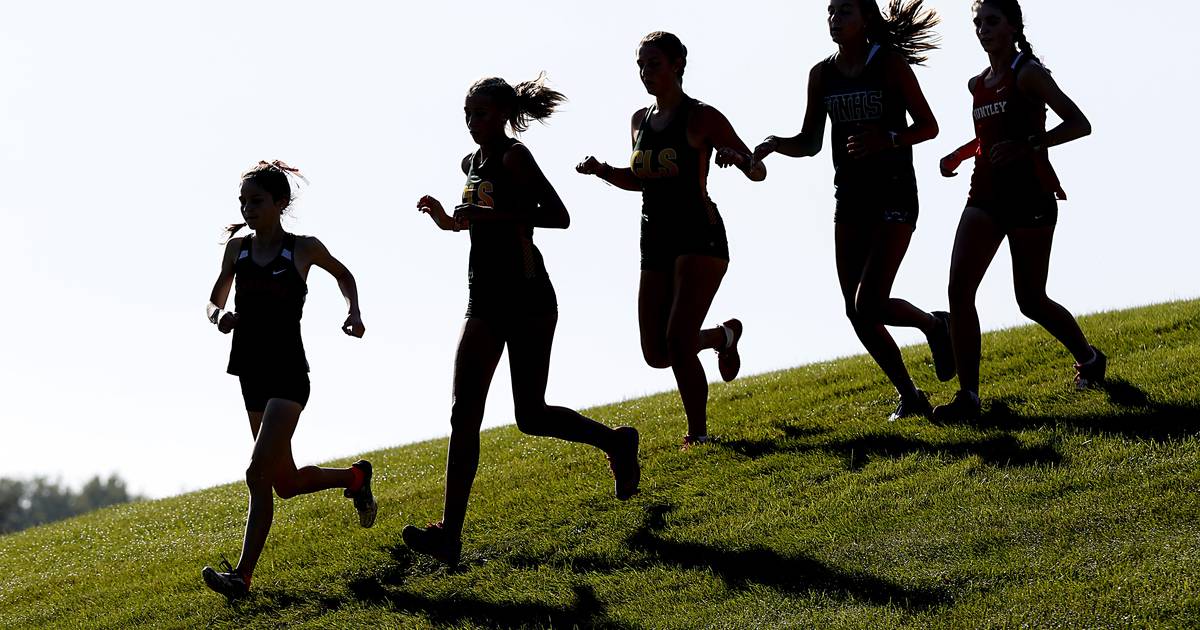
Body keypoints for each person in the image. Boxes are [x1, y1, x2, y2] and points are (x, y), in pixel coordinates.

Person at [403, 75, 641, 567]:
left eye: (482, 114)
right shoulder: (471, 164)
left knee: (530, 415)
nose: (473, 123)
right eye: (468, 114)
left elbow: (558, 215)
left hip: (528, 295)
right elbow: (476, 218)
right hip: (483, 299)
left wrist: (493, 217)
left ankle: (616, 442)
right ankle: (449, 535)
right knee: (462, 412)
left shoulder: (515, 157)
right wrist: (450, 221)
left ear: (504, 115)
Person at [752, 0, 954, 422]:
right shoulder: (821, 75)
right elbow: (810, 142)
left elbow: (928, 126)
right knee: (855, 309)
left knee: (870, 302)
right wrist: (775, 143)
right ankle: (910, 395)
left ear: (866, 19)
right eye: (830, 12)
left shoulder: (890, 64)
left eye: (845, 11)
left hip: (894, 192)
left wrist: (888, 140)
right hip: (850, 198)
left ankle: (935, 326)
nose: (834, 20)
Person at [577, 31, 765, 448]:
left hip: (700, 235)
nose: (646, 72)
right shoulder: (638, 121)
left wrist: (738, 160)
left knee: (678, 341)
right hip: (654, 240)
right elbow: (642, 179)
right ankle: (720, 337)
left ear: (678, 65)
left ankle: (697, 433)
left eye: (654, 64)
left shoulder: (700, 116)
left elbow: (757, 168)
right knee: (657, 352)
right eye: (640, 65)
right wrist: (604, 171)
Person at [201, 161, 376, 598]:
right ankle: (356, 479)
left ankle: (241, 577)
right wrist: (221, 316)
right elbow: (212, 299)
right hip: (249, 373)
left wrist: (352, 310)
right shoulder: (237, 250)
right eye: (243, 202)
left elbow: (344, 275)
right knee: (285, 483)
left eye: (256, 201)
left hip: (288, 376)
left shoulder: (302, 249)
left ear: (281, 203)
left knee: (257, 474)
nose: (247, 209)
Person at [933, 0, 1106, 422]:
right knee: (959, 291)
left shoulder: (1028, 73)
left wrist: (1029, 146)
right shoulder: (978, 83)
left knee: (1030, 300)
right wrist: (958, 155)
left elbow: (1079, 123)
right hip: (984, 197)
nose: (983, 29)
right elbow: (989, 137)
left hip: (1030, 198)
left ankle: (1089, 358)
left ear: (1013, 26)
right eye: (978, 22)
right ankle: (969, 398)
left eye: (992, 21)